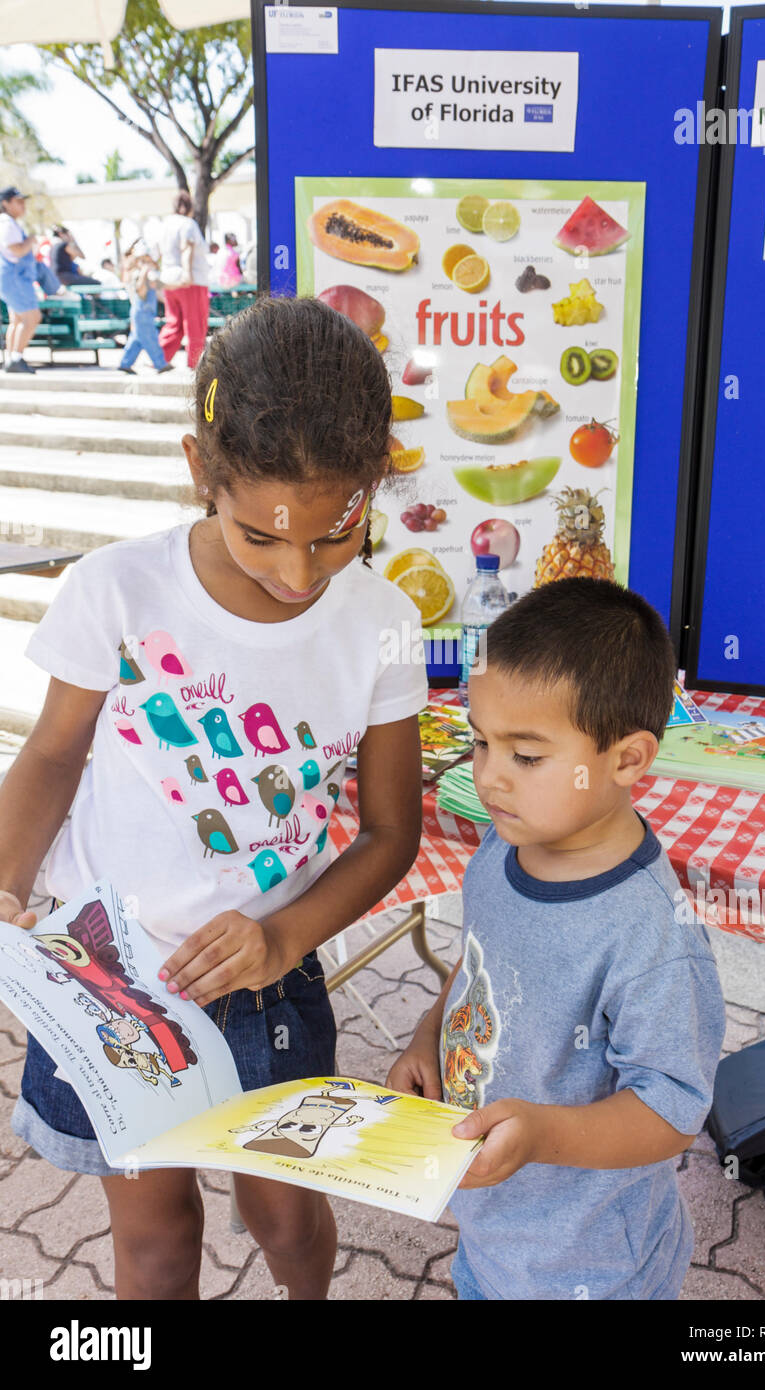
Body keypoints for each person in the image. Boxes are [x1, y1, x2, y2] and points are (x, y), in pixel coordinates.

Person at [0, 296, 428, 1300]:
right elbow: (53, 757)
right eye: (262, 536)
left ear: (374, 485)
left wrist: (282, 941)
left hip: (269, 983)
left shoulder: (385, 620)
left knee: (284, 1203)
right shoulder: (115, 589)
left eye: (334, 534)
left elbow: (390, 831)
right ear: (202, 470)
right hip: (109, 979)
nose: (297, 571)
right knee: (153, 1230)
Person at [388, 577, 727, 1301]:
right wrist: (426, 1036)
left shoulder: (651, 938)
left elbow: (670, 1111)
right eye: (480, 742)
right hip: (490, 1231)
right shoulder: (501, 845)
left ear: (628, 760)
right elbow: (478, 959)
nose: (488, 778)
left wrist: (542, 1136)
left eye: (527, 757)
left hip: (594, 1268)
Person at [158, 191, 210, 369]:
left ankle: (159, 358)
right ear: (187, 207)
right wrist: (187, 274)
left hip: (169, 279)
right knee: (195, 323)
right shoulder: (188, 224)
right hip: (190, 280)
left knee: (174, 323)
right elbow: (186, 247)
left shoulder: (164, 224)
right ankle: (194, 364)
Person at [0, 186, 42, 373]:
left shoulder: (7, 222)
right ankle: (16, 357)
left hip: (11, 277)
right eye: (18, 201)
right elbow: (15, 249)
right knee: (32, 317)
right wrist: (31, 240)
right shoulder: (7, 223)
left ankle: (12, 359)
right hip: (15, 277)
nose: (22, 205)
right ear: (5, 203)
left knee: (17, 319)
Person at [118, 243, 172, 375]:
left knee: (136, 340)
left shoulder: (146, 274)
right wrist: (145, 271)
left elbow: (159, 290)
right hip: (142, 312)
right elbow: (140, 292)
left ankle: (125, 363)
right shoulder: (140, 273)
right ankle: (160, 363)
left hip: (144, 312)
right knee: (150, 338)